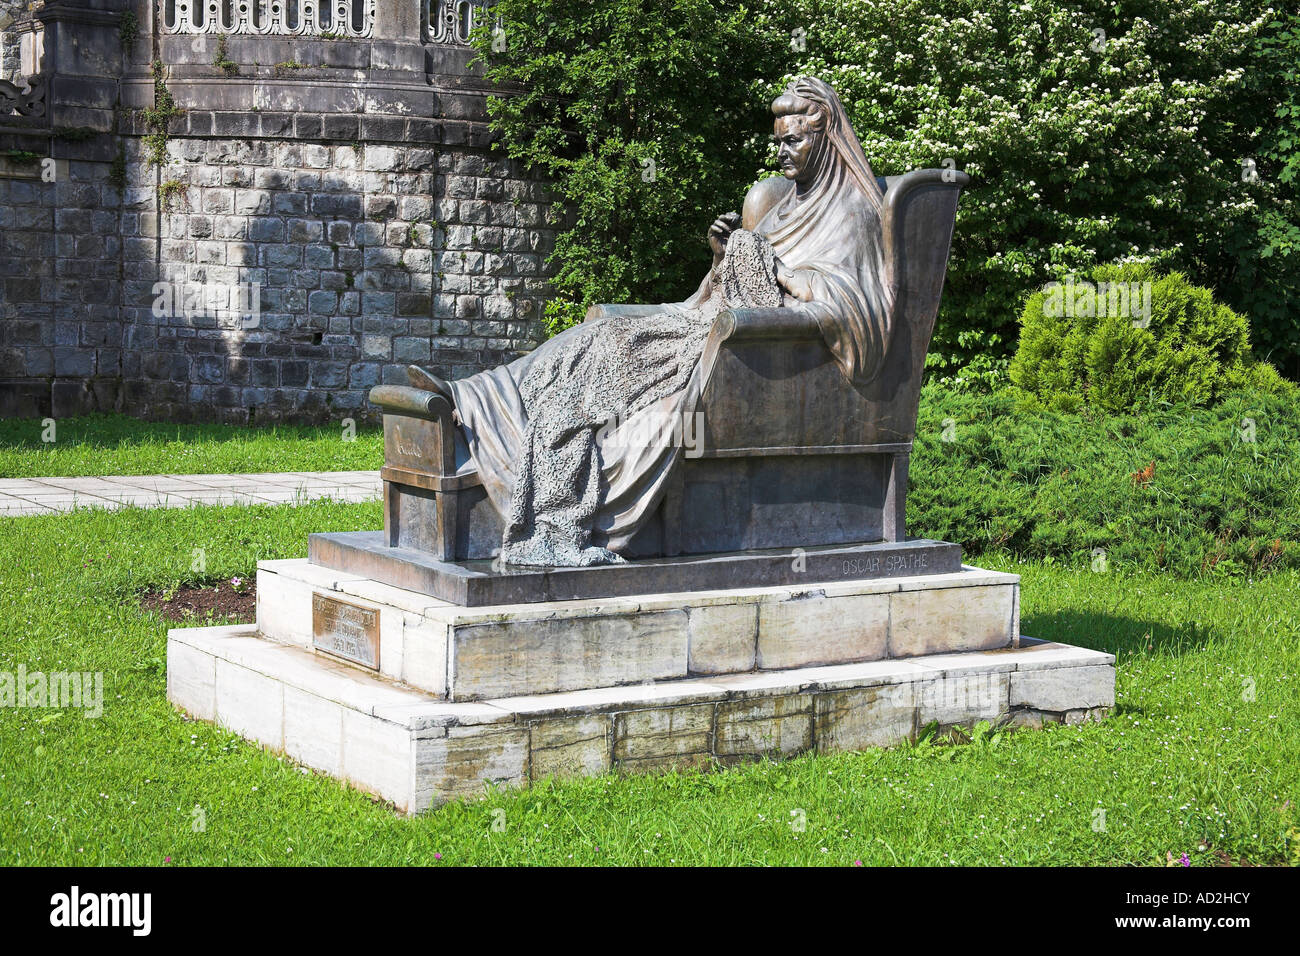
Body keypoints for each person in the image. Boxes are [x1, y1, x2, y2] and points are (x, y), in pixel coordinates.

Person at [410, 76, 894, 567]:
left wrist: (780, 271)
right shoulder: (781, 204)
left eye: (794, 141)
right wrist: (723, 254)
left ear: (825, 137)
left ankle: (493, 425)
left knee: (609, 358)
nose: (782, 153)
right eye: (778, 142)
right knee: (600, 333)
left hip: (755, 348)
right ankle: (479, 398)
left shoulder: (853, 212)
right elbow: (734, 281)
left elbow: (857, 313)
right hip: (713, 318)